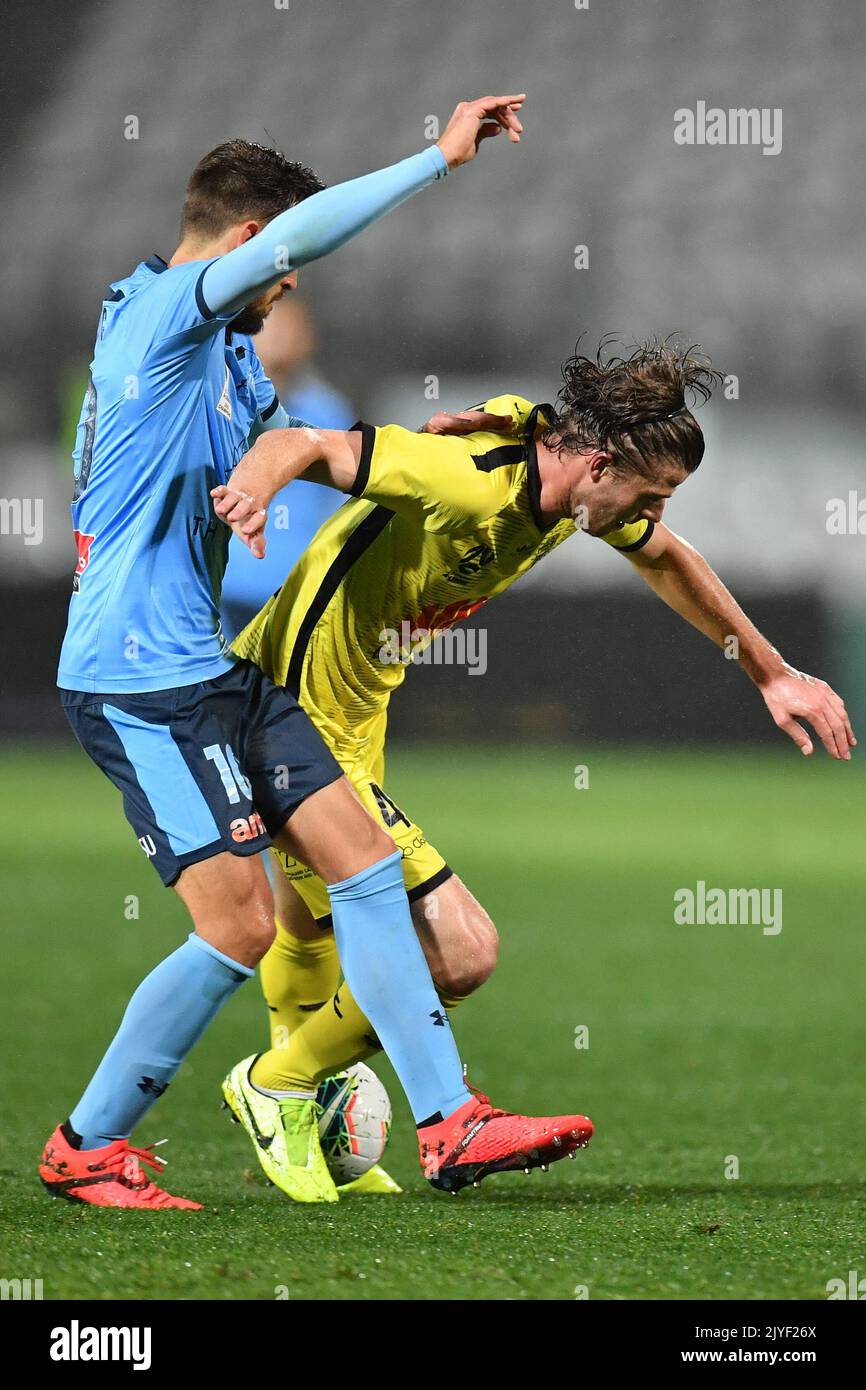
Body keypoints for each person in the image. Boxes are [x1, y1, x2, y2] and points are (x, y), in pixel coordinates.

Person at [41, 94, 594, 1210]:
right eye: (281, 266)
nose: (292, 287)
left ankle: (452, 1123)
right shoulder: (159, 316)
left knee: (365, 861)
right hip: (135, 680)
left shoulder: (220, 356)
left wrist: (257, 488)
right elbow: (294, 243)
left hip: (209, 662)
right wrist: (433, 159)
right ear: (248, 244)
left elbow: (247, 450)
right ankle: (85, 1143)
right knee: (240, 922)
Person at [214, 340, 856, 1201]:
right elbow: (312, 445)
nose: (654, 512)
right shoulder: (466, 478)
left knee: (313, 923)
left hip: (351, 713)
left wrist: (772, 672)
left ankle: (309, 1111)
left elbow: (665, 555)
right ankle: (277, 1083)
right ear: (597, 465)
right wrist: (254, 489)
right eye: (652, 493)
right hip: (286, 715)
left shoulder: (563, 476)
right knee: (461, 950)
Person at [220, 297, 351, 642]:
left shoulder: (327, 410)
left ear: (307, 338)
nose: (279, 337)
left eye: (289, 328)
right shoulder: (220, 405)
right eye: (268, 326)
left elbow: (342, 501)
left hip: (300, 582)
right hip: (228, 581)